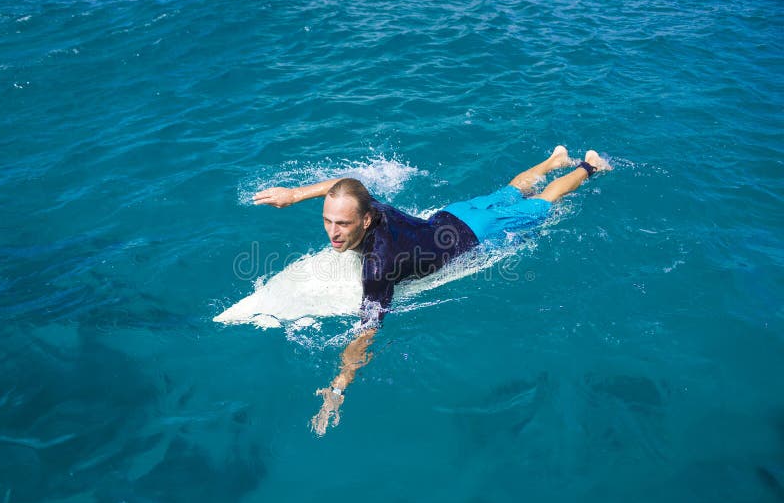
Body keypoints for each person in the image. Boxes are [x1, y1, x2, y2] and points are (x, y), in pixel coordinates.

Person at [253, 146, 611, 435]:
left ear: (364, 220)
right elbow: (346, 182)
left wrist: (338, 387)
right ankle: (554, 159)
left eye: (342, 224)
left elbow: (368, 331)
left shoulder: (379, 265)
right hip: (450, 216)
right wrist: (295, 195)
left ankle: (587, 166)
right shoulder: (367, 205)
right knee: (510, 192)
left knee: (543, 202)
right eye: (327, 220)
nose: (333, 232)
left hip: (474, 233)